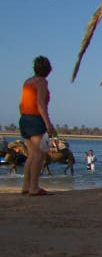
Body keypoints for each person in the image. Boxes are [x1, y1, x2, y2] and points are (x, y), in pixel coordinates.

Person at [18, 55, 57, 196]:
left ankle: (26, 186)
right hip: (35, 119)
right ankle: (34, 187)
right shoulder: (41, 82)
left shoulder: (27, 82)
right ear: (48, 70)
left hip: (25, 118)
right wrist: (48, 124)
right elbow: (40, 104)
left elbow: (21, 104)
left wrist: (24, 117)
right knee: (39, 155)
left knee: (31, 155)